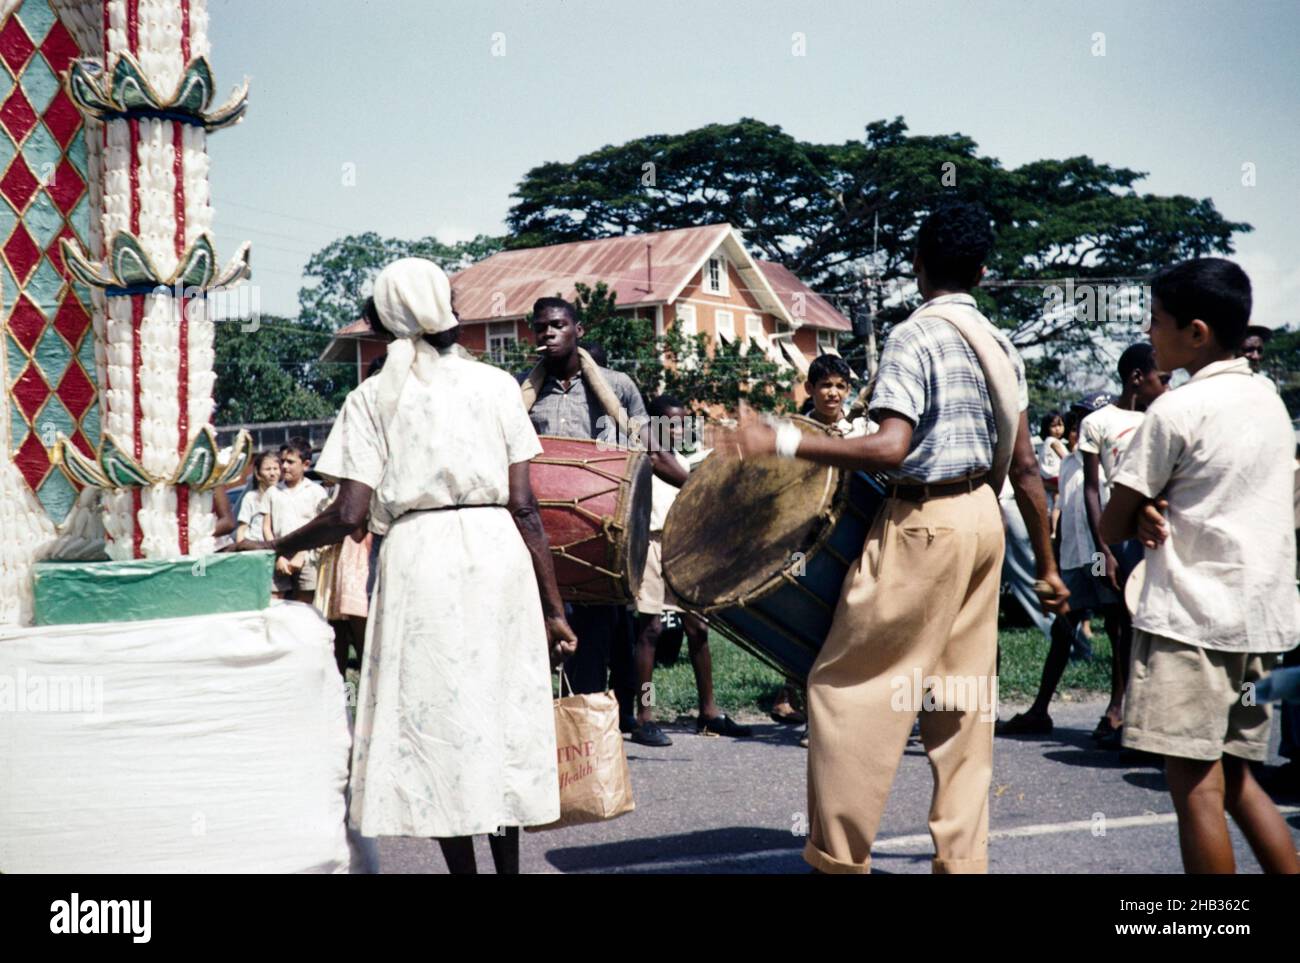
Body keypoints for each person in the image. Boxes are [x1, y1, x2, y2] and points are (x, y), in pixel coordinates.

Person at [724, 202, 1068, 873]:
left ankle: (839, 859)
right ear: (982, 269)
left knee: (845, 687)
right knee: (962, 702)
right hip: (982, 521)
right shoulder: (999, 344)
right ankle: (963, 862)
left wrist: (784, 438)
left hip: (926, 523)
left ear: (917, 265)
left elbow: (889, 446)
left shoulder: (916, 335)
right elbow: (1027, 470)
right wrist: (1048, 568)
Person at [240, 258, 576, 874]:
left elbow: (349, 512)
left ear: (388, 318)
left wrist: (276, 543)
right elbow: (526, 507)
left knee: (441, 724)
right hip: (495, 554)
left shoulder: (373, 397)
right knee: (495, 719)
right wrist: (554, 609)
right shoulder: (497, 385)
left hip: (421, 560)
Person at [1100, 257, 1299, 874]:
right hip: (1260, 624)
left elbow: (1111, 522)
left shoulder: (1176, 409)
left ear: (1196, 332)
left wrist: (1139, 512)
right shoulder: (1268, 401)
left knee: (1196, 789)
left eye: (1157, 322)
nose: (1149, 333)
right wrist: (1157, 507)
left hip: (1191, 621)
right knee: (1237, 778)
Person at [522, 297, 688, 733]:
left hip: (599, 545)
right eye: (541, 328)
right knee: (533, 652)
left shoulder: (620, 386)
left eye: (558, 325)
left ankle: (594, 742)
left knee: (596, 651)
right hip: (535, 540)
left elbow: (650, 451)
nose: (549, 333)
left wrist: (694, 488)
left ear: (578, 329)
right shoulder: (517, 388)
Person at [630, 394, 751, 746]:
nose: (678, 428)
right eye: (670, 422)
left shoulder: (684, 458)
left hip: (684, 547)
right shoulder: (643, 456)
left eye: (683, 421)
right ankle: (645, 715)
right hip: (652, 544)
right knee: (650, 629)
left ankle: (709, 713)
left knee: (698, 628)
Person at [998, 395, 1118, 735]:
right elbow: (1063, 511)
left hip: (1098, 556)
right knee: (1063, 627)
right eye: (1077, 422)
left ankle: (1116, 709)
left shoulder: (1112, 458)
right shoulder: (1069, 464)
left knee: (1114, 624)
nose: (1080, 429)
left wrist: (1106, 555)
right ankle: (1040, 709)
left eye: (1087, 420)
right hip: (1072, 558)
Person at [1078, 343, 1169, 747]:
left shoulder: (1164, 417)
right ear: (1137, 377)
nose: (1166, 387)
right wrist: (1105, 549)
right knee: (1120, 625)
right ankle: (1118, 709)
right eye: (1162, 378)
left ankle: (1147, 719)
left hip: (1161, 534)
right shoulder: (1098, 422)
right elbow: (1092, 491)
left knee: (1156, 626)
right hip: (1120, 539)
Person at [262, 438, 329, 602]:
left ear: (305, 465)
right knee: (274, 603)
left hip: (306, 557)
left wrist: (301, 555)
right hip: (279, 555)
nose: (284, 466)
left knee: (304, 607)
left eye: (290, 462)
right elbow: (266, 528)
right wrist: (279, 556)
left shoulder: (316, 492)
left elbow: (319, 528)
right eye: (282, 461)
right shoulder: (273, 492)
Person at [235, 450, 281, 544]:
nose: (272, 473)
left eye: (275, 468)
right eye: (267, 469)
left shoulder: (283, 494)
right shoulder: (251, 497)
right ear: (257, 473)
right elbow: (241, 529)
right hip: (256, 547)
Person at [1037, 411, 1068, 535]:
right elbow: (1064, 456)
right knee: (1058, 501)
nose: (1058, 429)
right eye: (1054, 426)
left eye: (1060, 425)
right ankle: (1055, 530)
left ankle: (1054, 529)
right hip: (1053, 475)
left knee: (1056, 499)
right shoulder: (1053, 441)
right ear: (1047, 428)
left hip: (1049, 475)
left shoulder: (1048, 441)